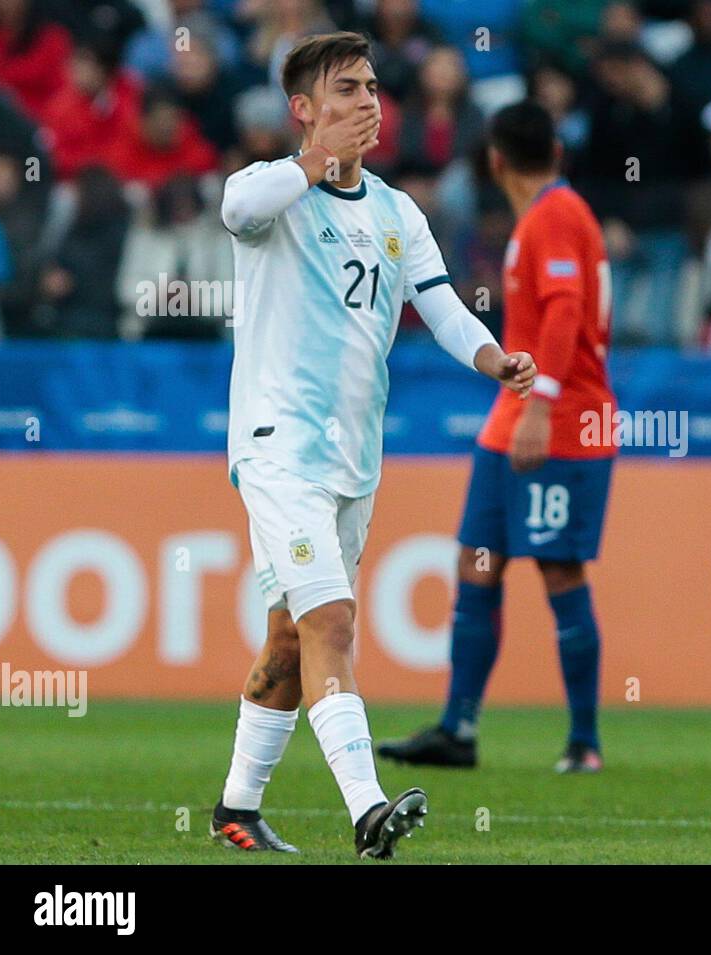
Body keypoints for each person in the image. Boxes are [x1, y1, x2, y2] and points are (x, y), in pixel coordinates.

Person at [211, 32, 537, 858]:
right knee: (333, 620)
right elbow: (235, 208)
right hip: (279, 444)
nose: (368, 101)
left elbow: (442, 306)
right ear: (305, 110)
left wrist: (492, 357)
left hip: (355, 458)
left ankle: (235, 809)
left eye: (371, 86)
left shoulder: (397, 211)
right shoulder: (277, 194)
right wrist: (312, 164)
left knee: (291, 636)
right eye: (347, 89)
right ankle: (368, 808)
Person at [379, 101, 616, 774]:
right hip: (512, 420)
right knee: (476, 562)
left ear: (495, 159)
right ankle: (458, 727)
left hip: (562, 421)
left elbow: (568, 310)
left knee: (559, 567)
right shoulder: (546, 216)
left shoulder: (556, 215)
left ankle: (584, 741)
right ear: (557, 151)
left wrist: (542, 406)